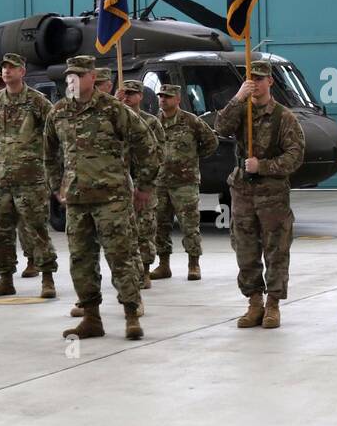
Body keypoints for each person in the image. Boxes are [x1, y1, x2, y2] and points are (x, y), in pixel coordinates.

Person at [46, 57, 158, 341]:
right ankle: (91, 318)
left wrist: (145, 185)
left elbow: (146, 143)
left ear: (92, 77)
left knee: (120, 257)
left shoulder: (113, 109)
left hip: (112, 198)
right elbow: (48, 153)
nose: (72, 79)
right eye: (69, 75)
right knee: (81, 260)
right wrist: (57, 186)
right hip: (77, 200)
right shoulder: (58, 112)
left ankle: (131, 314)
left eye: (79, 75)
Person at [214, 60, 305, 330]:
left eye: (260, 79)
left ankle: (273, 304)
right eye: (250, 79)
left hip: (272, 194)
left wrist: (263, 166)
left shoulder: (284, 117)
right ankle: (254, 302)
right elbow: (221, 127)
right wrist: (237, 98)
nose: (255, 84)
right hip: (242, 192)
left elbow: (295, 156)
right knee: (245, 248)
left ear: (270, 82)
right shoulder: (241, 111)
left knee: (276, 249)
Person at [0, 53, 58, 299]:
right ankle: (5, 278)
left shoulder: (37, 101)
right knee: (0, 231)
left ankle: (47, 278)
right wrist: (0, 147)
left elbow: (53, 131)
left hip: (30, 178)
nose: (6, 71)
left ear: (23, 72)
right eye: (4, 68)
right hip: (0, 178)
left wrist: (34, 151)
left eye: (12, 68)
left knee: (36, 229)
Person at [149, 83, 218, 281]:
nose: (163, 99)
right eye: (161, 96)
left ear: (177, 99)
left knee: (190, 225)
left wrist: (192, 158)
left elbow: (211, 142)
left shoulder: (191, 121)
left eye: (168, 97)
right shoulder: (155, 123)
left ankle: (193, 264)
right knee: (160, 225)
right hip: (160, 182)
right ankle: (163, 265)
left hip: (185, 183)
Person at [118, 80, 167, 288]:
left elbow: (159, 152)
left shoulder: (151, 122)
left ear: (140, 96)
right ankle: (128, 271)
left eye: (132, 93)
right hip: (120, 182)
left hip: (142, 181)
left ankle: (145, 270)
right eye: (124, 93)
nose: (127, 97)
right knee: (123, 230)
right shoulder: (115, 120)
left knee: (145, 227)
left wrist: (148, 181)